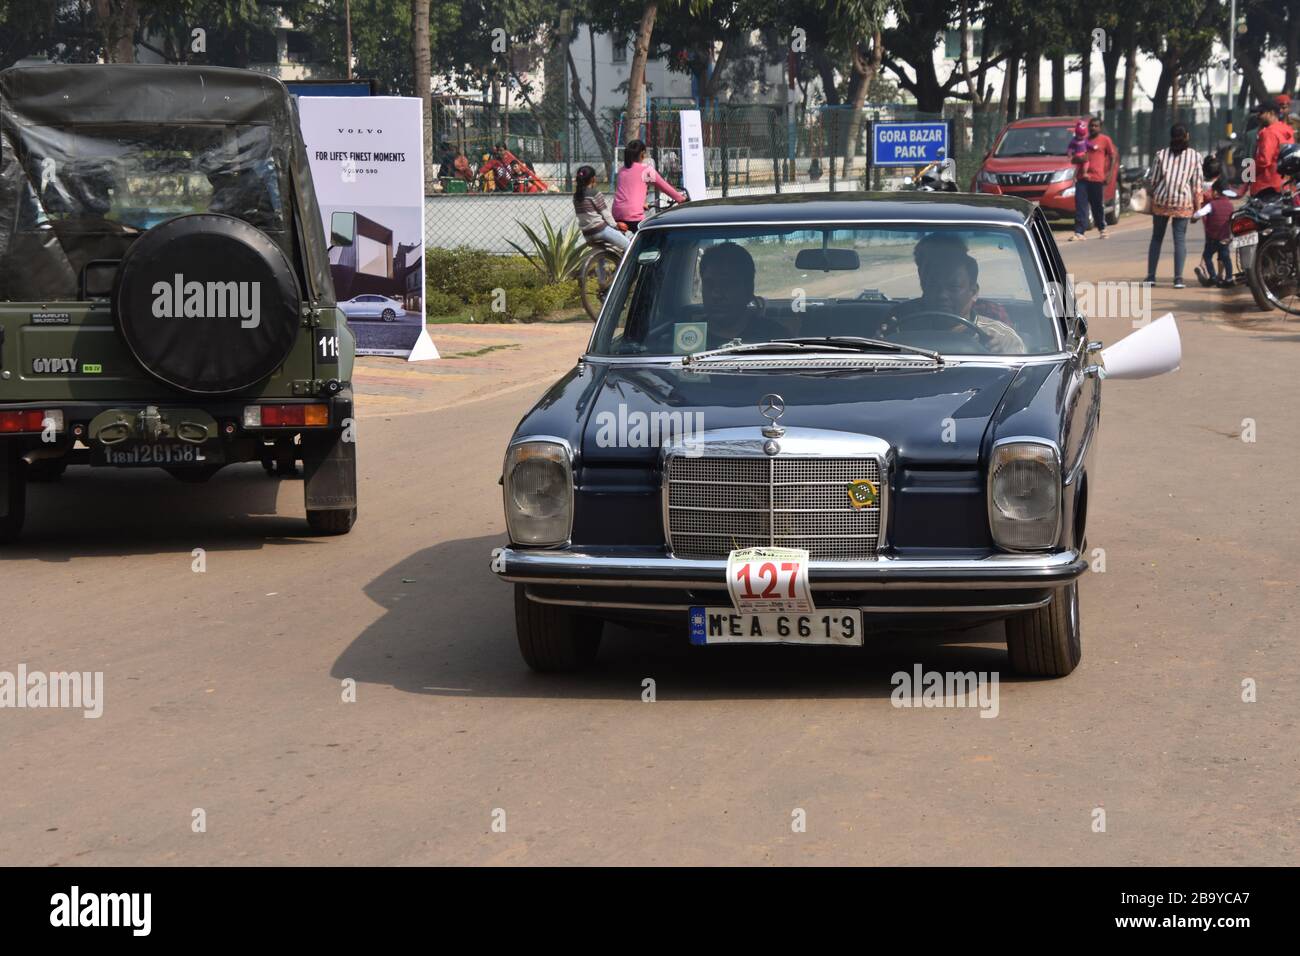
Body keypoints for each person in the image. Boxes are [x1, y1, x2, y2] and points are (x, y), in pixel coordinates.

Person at [888, 247, 1024, 354]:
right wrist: (882, 343)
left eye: (953, 287)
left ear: (974, 292)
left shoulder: (1000, 337)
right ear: (924, 289)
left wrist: (1002, 353)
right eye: (934, 287)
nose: (942, 295)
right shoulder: (902, 329)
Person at [1144, 124, 1203, 288]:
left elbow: (1154, 181)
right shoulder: (1195, 157)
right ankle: (1178, 279)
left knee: (1156, 238)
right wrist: (1198, 209)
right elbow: (1197, 185)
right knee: (1179, 240)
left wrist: (1151, 194)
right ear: (1188, 136)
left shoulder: (1160, 155)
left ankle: (1151, 276)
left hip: (1162, 201)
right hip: (1183, 202)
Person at [697, 242, 787, 348]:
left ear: (749, 290)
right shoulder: (685, 338)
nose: (716, 295)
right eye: (709, 284)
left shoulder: (775, 338)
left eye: (727, 284)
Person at [612, 139, 686, 232]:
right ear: (642, 153)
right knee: (653, 237)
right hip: (633, 215)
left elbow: (628, 192)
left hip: (616, 213)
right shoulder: (646, 170)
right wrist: (681, 199)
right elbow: (664, 187)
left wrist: (641, 204)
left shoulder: (622, 170)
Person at [1070, 116, 1117, 241]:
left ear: (1100, 128)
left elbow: (1113, 157)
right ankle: (1079, 232)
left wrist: (1109, 174)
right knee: (1080, 205)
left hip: (1097, 178)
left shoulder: (1105, 140)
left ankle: (1102, 228)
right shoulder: (1081, 141)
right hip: (1082, 178)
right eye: (1091, 126)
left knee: (1097, 205)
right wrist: (1079, 159)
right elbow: (1073, 158)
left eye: (1096, 126)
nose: (1093, 128)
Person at [572, 165, 629, 252]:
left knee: (602, 253)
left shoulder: (576, 196)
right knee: (629, 245)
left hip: (587, 234)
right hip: (600, 230)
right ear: (593, 178)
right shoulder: (594, 193)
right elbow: (605, 213)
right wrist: (616, 225)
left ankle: (601, 265)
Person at [1192, 179, 1235, 288]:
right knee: (1226, 258)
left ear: (1215, 192)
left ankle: (1213, 277)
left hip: (1213, 238)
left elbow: (1199, 213)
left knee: (1207, 256)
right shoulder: (1230, 205)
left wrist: (1193, 217)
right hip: (1225, 237)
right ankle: (1229, 278)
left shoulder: (1212, 204)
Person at [1250, 101, 1296, 199]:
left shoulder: (1268, 133)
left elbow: (1264, 160)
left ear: (1271, 113)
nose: (1258, 116)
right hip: (1284, 183)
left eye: (1261, 112)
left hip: (1266, 185)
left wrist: (1248, 172)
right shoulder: (1286, 129)